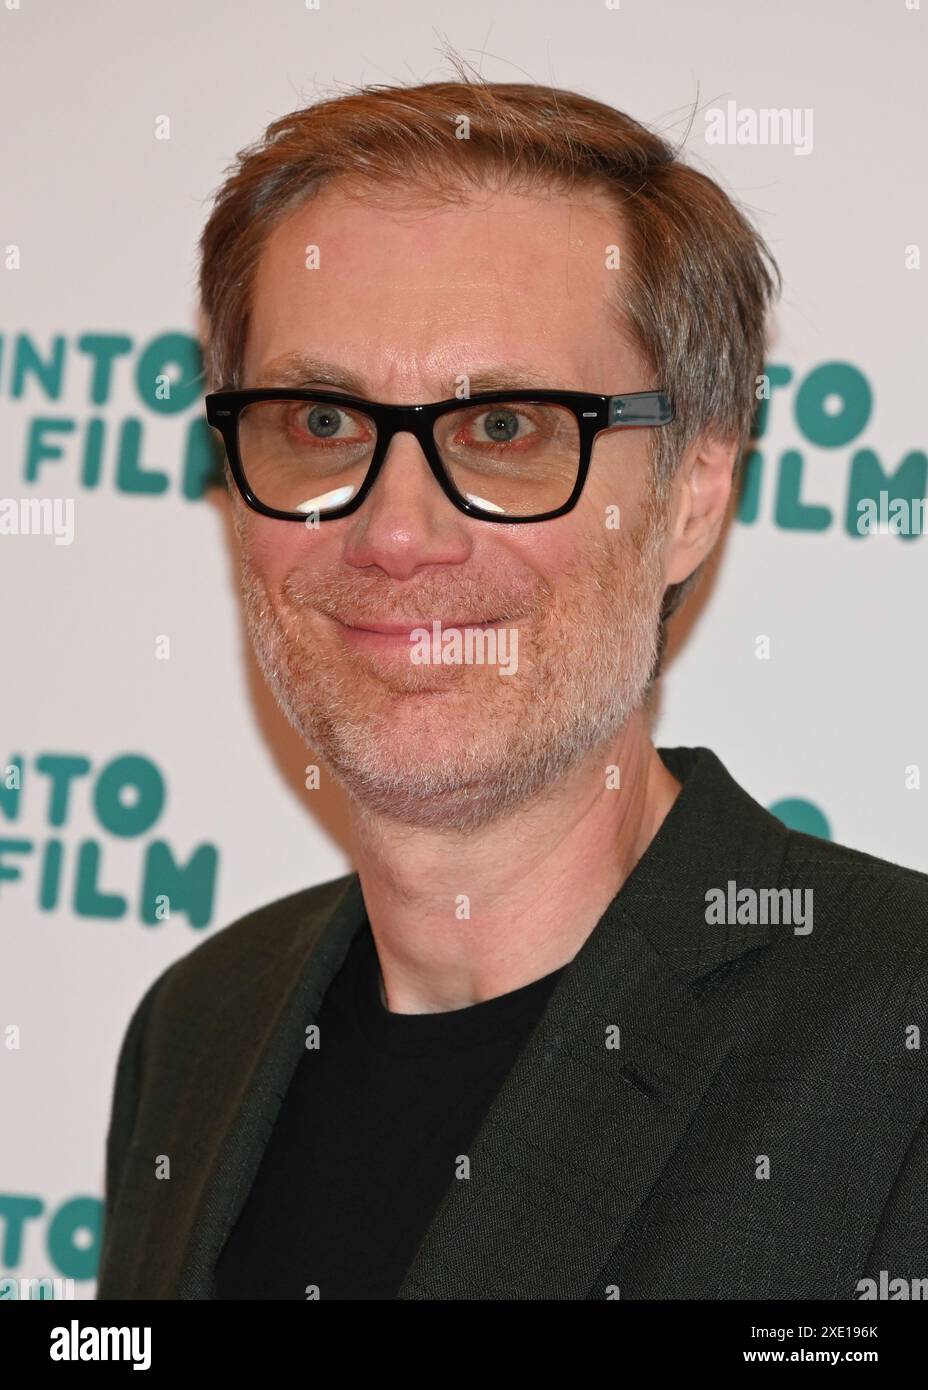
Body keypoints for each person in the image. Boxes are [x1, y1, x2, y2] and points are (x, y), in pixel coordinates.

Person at [96, 70, 928, 1301]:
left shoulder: (890, 1042)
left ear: (691, 496)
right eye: (322, 421)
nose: (395, 533)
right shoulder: (197, 1027)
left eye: (505, 430)